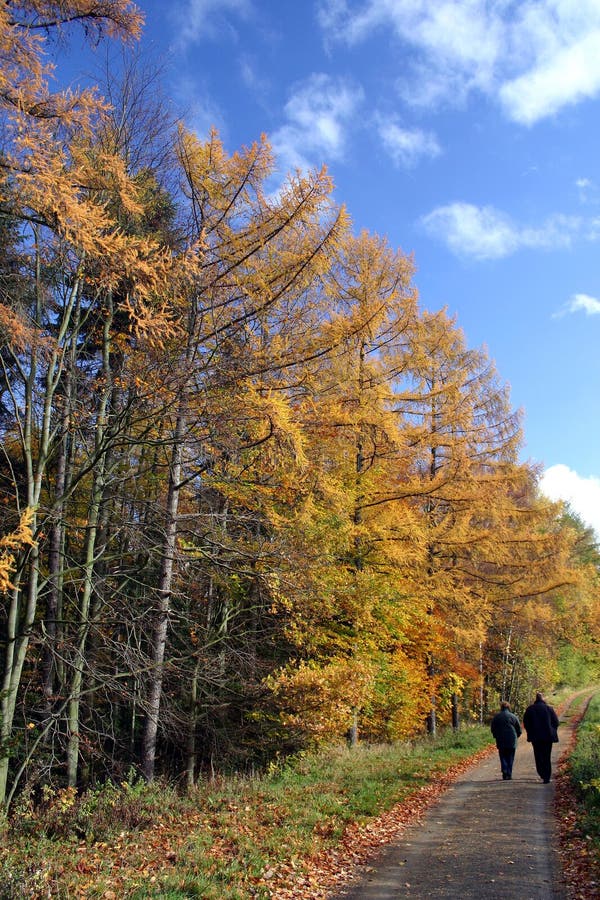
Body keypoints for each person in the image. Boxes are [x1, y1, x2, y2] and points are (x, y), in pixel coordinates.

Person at [523, 691, 559, 783]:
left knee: (538, 755)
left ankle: (541, 773)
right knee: (547, 756)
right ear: (543, 699)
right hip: (548, 737)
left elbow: (526, 723)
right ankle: (546, 777)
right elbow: (556, 722)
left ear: (535, 699)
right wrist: (552, 730)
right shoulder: (549, 708)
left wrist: (530, 731)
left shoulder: (530, 709)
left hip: (536, 737)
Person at [490, 700, 521, 780]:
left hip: (501, 739)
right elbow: (519, 729)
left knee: (503, 755)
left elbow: (493, 728)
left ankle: (504, 770)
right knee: (510, 756)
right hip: (512, 739)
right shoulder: (513, 716)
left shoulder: (497, 717)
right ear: (508, 707)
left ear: (501, 707)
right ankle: (509, 773)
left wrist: (496, 735)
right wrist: (516, 736)